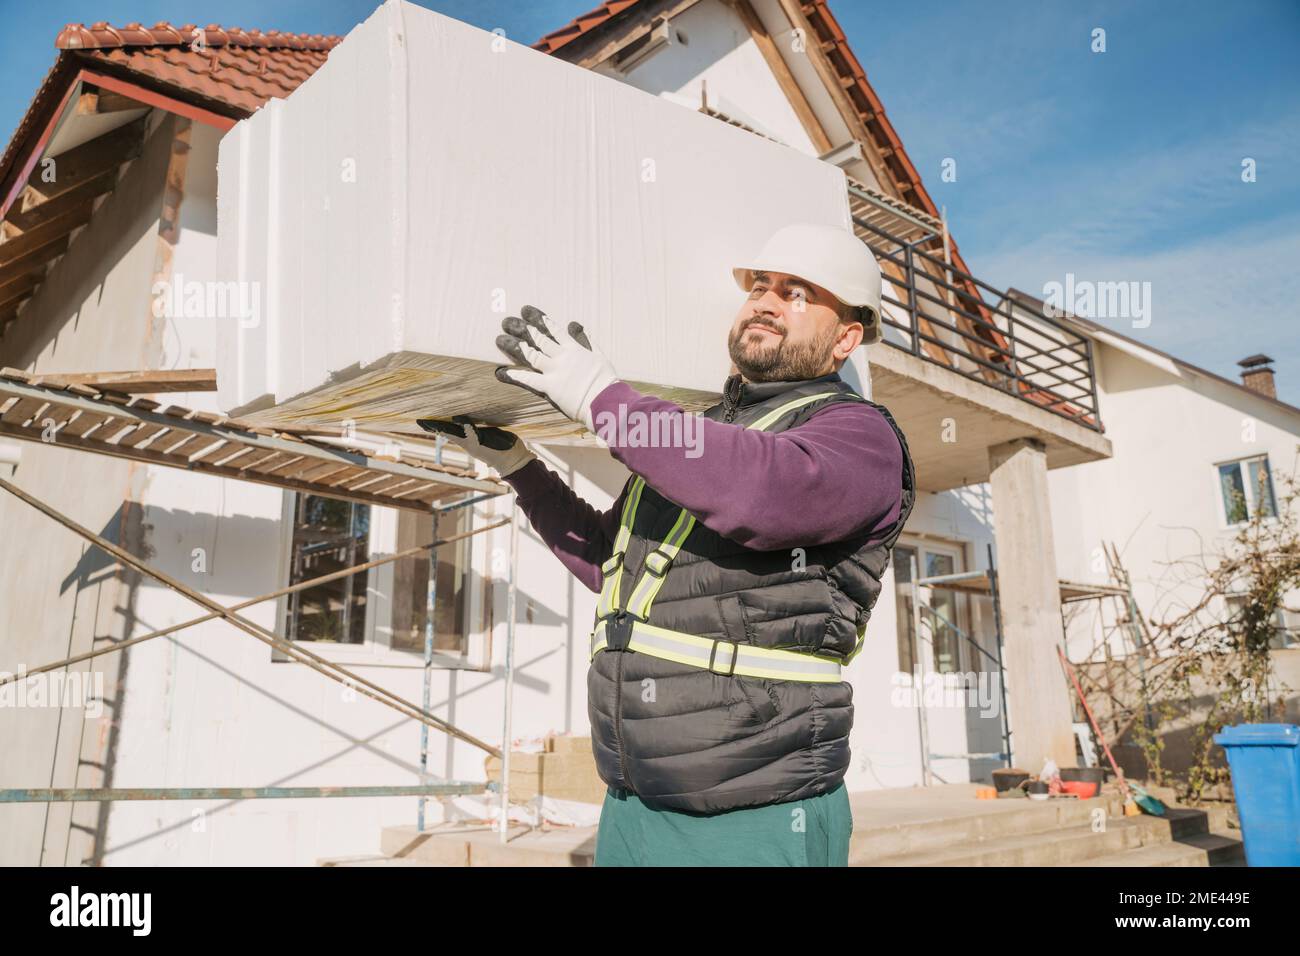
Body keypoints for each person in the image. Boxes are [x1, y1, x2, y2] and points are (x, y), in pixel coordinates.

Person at [421, 222, 915, 866]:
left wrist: (601, 396)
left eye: (797, 293)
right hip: (632, 801)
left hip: (757, 809)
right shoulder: (704, 433)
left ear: (847, 336)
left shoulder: (858, 437)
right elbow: (613, 560)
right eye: (760, 286)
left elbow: (761, 494)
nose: (765, 301)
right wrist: (518, 464)